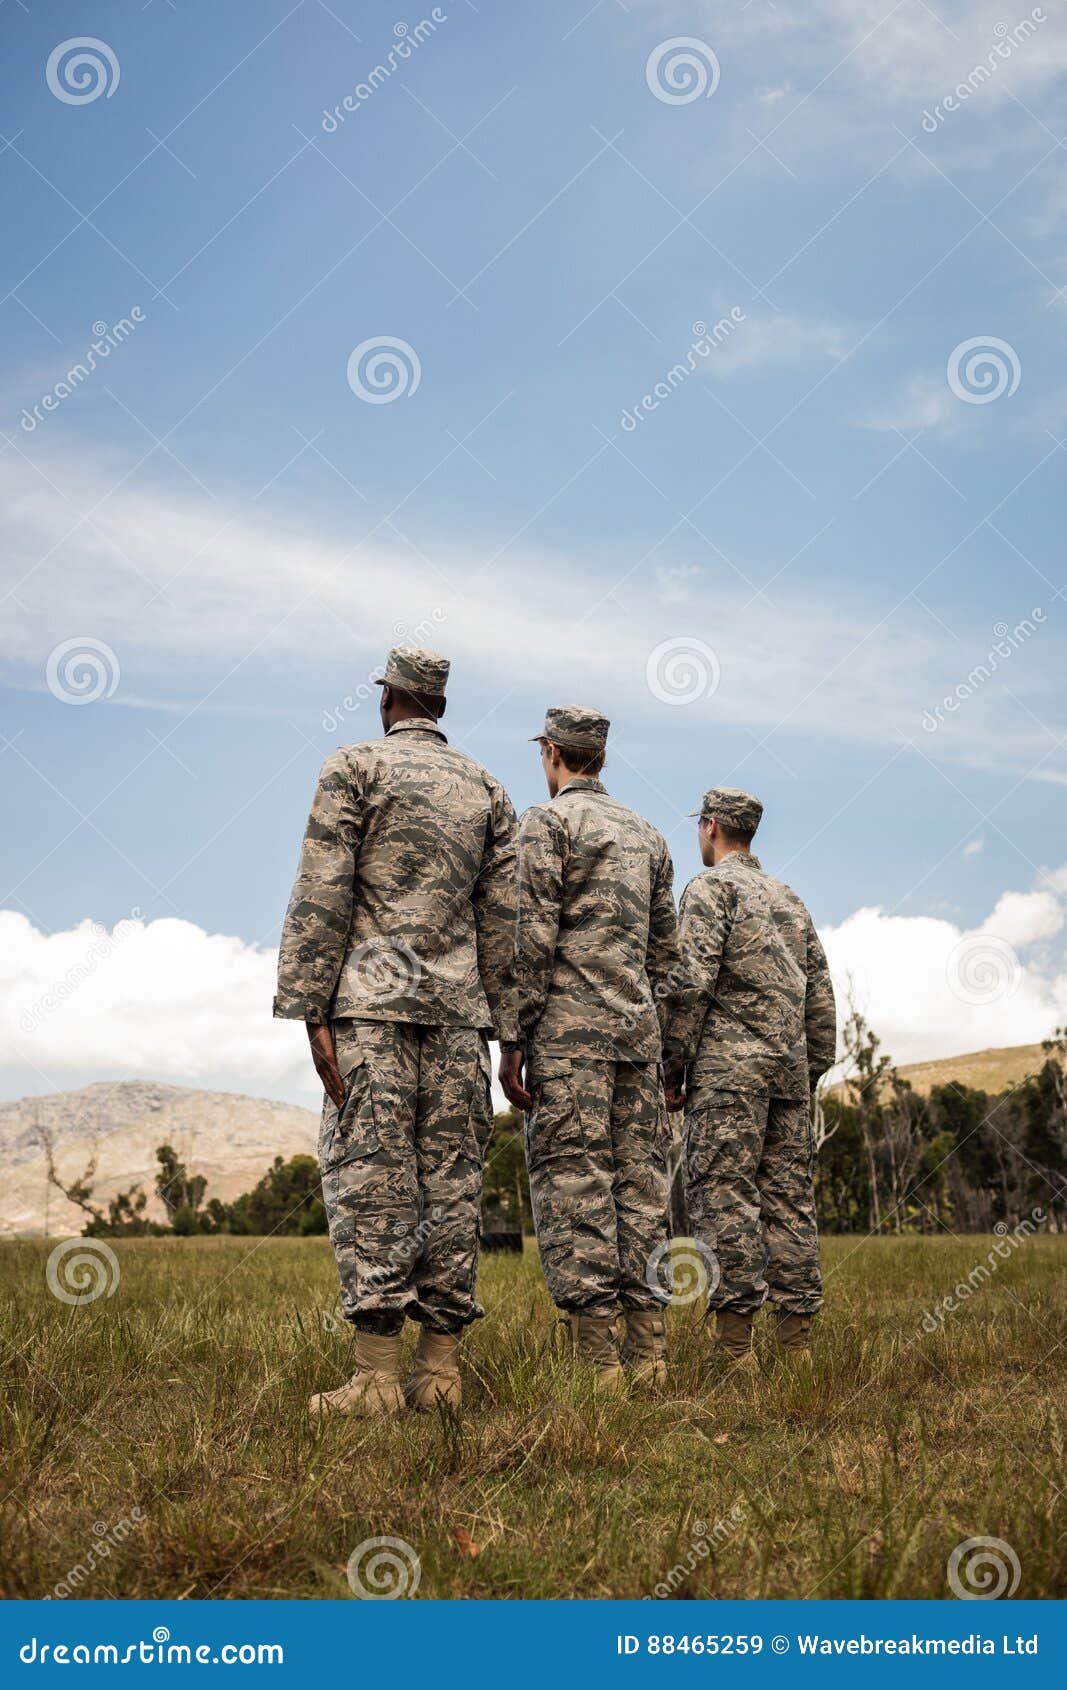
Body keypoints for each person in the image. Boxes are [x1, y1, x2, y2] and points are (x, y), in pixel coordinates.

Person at [275, 645, 517, 1417]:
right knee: (450, 1188)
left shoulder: (353, 768)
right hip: (457, 1025)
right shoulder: (487, 789)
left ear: (389, 701)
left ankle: (376, 1378)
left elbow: (323, 890)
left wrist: (311, 1006)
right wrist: (510, 1033)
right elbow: (504, 924)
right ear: (437, 707)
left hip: (372, 1016)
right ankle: (439, 1374)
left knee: (372, 1183)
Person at [499, 706, 682, 1389]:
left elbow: (530, 938)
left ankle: (597, 1368)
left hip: (569, 1041)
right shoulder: (648, 836)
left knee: (577, 1191)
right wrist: (668, 1049)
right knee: (641, 1196)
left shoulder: (546, 825)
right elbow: (669, 958)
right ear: (598, 757)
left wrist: (513, 1039)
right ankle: (649, 1359)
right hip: (638, 1043)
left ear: (551, 753)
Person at [664, 787, 837, 1368]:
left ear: (710, 827)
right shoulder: (790, 899)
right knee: (789, 1201)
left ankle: (735, 1351)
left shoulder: (710, 890)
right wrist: (808, 1071)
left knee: (724, 1197)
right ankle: (798, 1350)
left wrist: (672, 1065)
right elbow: (821, 1000)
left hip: (727, 1077)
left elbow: (690, 984)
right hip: (788, 1076)